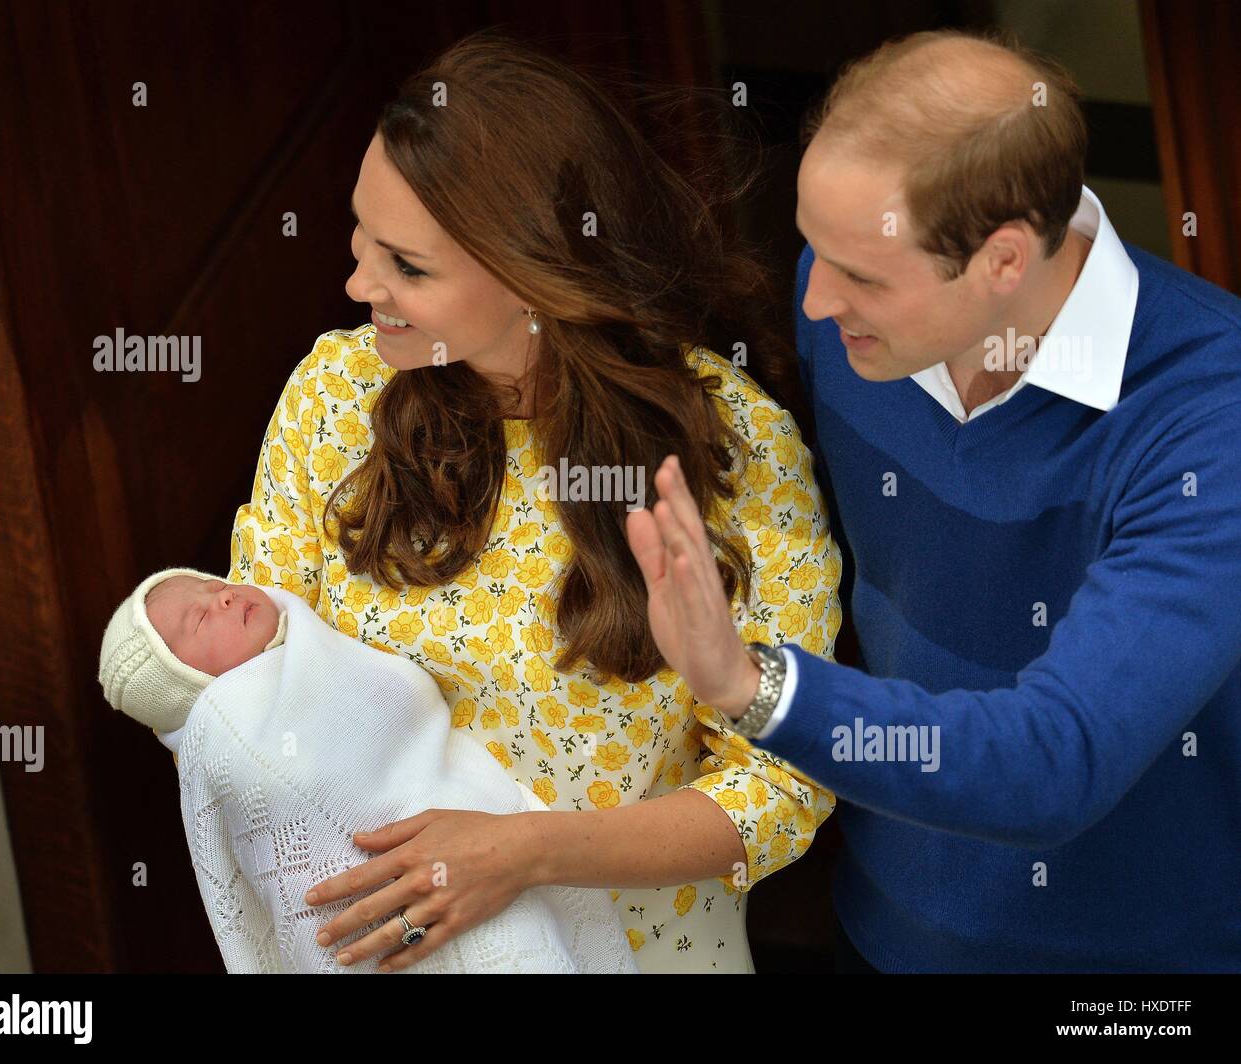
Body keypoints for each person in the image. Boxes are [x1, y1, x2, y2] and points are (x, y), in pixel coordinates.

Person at [227, 29, 843, 973]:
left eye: (408, 266)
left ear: (537, 274)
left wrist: (525, 853)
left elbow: (782, 786)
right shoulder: (333, 399)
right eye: (361, 234)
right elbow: (243, 690)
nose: (357, 284)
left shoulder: (731, 450)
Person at [625, 29, 1241, 973]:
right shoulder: (852, 317)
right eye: (813, 249)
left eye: (862, 275)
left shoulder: (1211, 418)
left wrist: (753, 688)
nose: (815, 300)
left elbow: (1055, 763)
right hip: (878, 930)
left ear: (1003, 260)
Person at [97, 567, 638, 973]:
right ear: (190, 685)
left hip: (486, 847)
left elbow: (397, 715)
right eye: (199, 619)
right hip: (412, 904)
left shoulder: (310, 647)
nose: (224, 597)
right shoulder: (234, 733)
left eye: (212, 586)